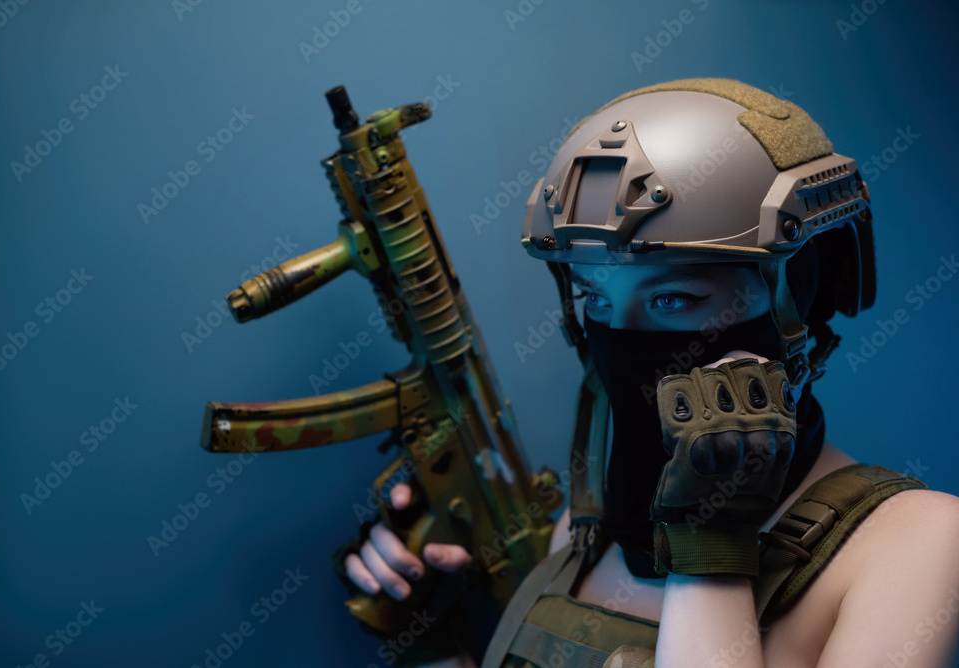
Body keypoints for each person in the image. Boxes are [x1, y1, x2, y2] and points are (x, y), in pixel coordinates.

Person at [339, 78, 959, 667]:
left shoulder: (920, 546)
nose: (623, 339)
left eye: (673, 301)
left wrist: (708, 548)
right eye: (596, 300)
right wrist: (428, 641)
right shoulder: (586, 527)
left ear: (799, 296)